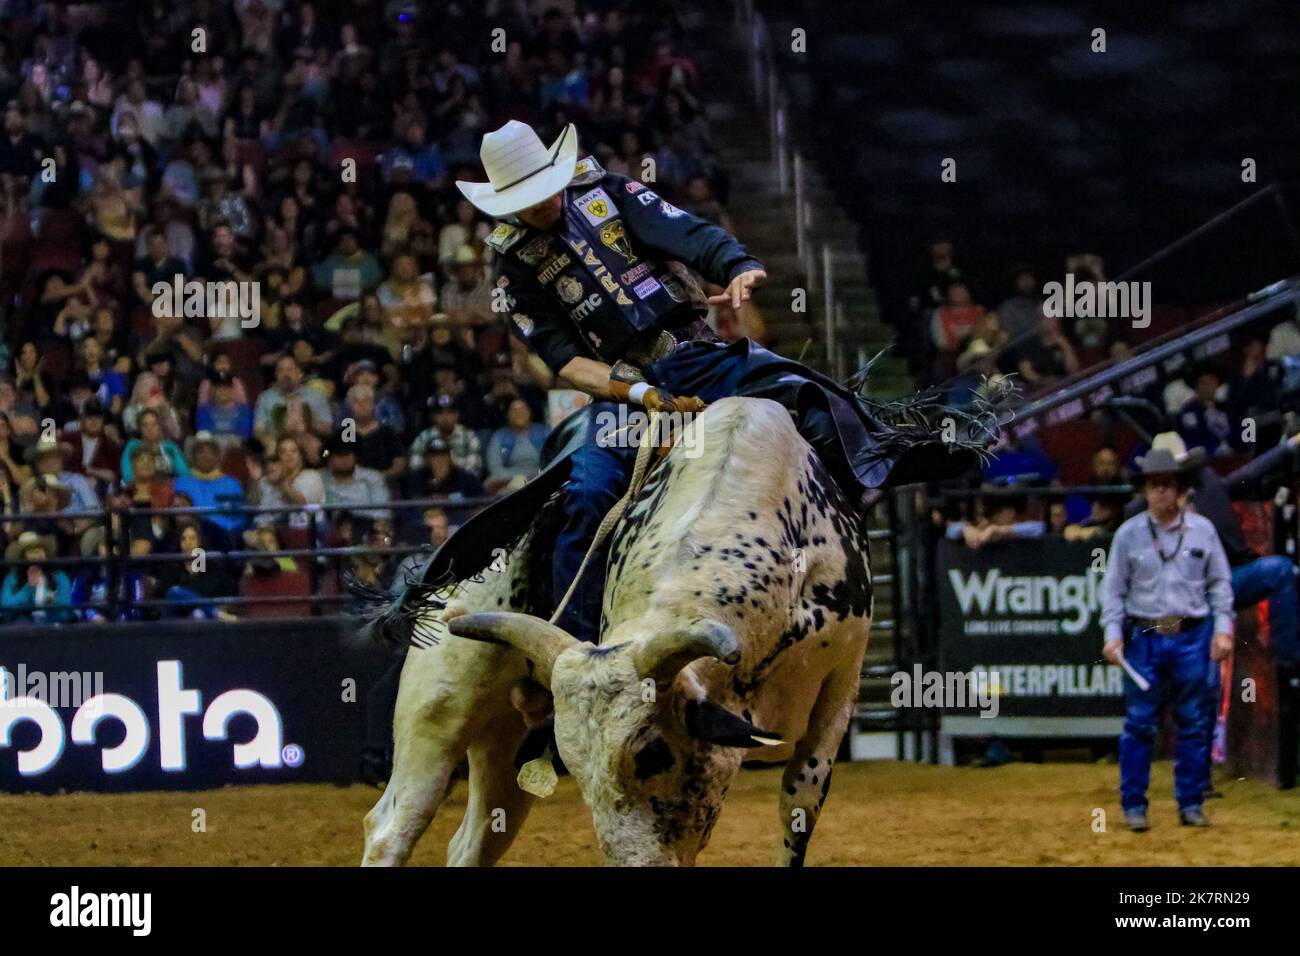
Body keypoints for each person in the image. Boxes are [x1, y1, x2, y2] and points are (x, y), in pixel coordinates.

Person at [456, 120, 985, 643]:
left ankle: (881, 473)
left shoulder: (607, 192)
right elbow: (565, 361)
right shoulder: (513, 259)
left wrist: (735, 265)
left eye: (546, 189)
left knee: (811, 399)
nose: (544, 203)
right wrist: (639, 393)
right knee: (589, 496)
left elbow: (686, 232)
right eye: (529, 198)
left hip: (696, 354)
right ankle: (578, 652)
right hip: (623, 391)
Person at [1100, 446, 1234, 830]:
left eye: (1167, 484)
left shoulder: (1203, 531)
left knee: (1193, 721)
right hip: (1145, 635)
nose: (1160, 492)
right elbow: (1113, 590)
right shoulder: (1128, 535)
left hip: (1192, 634)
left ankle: (1191, 803)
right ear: (1145, 490)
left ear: (1180, 489)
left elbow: (1220, 584)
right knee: (1140, 722)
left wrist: (1223, 629)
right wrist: (1113, 635)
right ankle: (1133, 806)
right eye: (1154, 485)